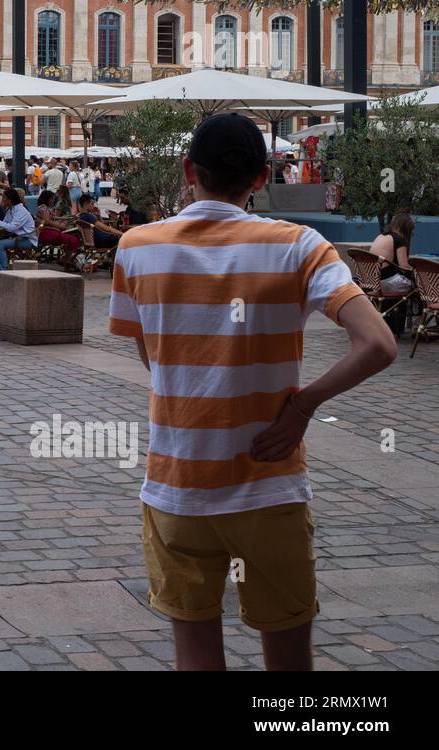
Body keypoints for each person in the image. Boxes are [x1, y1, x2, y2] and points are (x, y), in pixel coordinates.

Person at [109, 112, 395, 672]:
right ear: (262, 178)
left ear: (188, 169)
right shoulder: (298, 246)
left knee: (195, 653)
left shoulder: (137, 247)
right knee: (289, 661)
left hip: (178, 485)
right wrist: (302, 405)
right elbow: (380, 345)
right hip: (270, 486)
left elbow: (154, 356)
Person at [0, 187, 38, 271]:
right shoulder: (11, 210)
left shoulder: (21, 211)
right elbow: (4, 224)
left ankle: (2, 271)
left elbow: (11, 227)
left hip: (27, 240)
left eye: (4, 197)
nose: (2, 199)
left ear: (9, 200)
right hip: (17, 237)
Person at [33, 189, 82, 268]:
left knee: (72, 238)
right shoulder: (43, 207)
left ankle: (66, 258)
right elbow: (47, 221)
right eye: (52, 198)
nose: (53, 200)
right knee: (73, 239)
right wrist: (60, 226)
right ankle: (66, 258)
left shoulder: (48, 208)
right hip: (46, 232)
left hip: (51, 231)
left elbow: (53, 218)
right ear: (47, 199)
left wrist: (66, 219)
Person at [369, 212, 415, 291]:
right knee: (419, 284)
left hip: (372, 282)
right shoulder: (399, 240)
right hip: (387, 282)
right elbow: (404, 267)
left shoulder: (380, 236)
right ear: (406, 229)